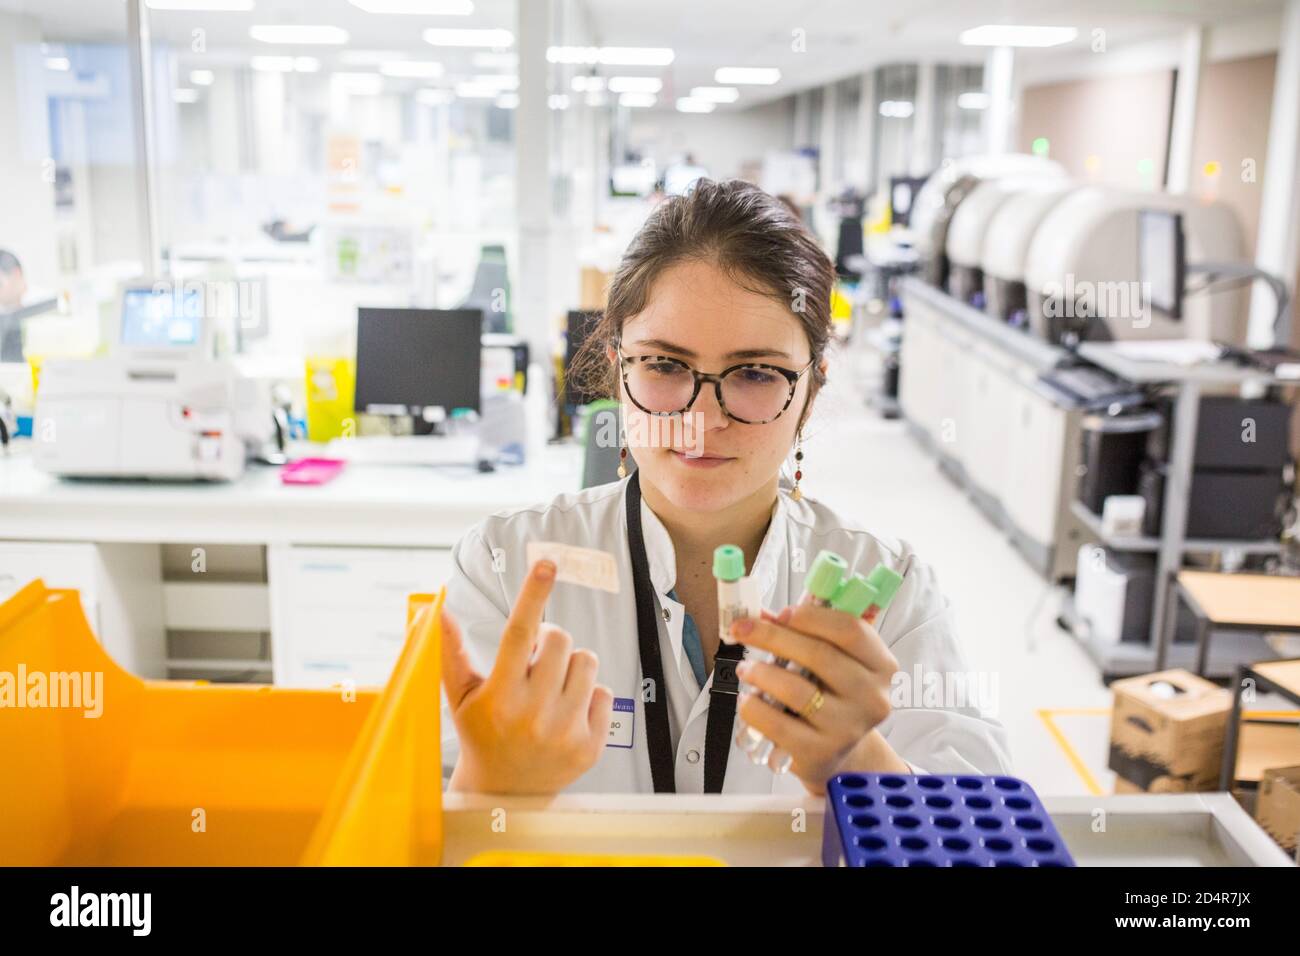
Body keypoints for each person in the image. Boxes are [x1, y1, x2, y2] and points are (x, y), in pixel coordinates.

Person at [440, 178, 1011, 796]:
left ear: (811, 390)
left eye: (756, 373)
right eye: (664, 365)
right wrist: (485, 784)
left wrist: (860, 764)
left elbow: (982, 838)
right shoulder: (503, 568)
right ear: (616, 362)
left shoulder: (887, 591)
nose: (702, 419)